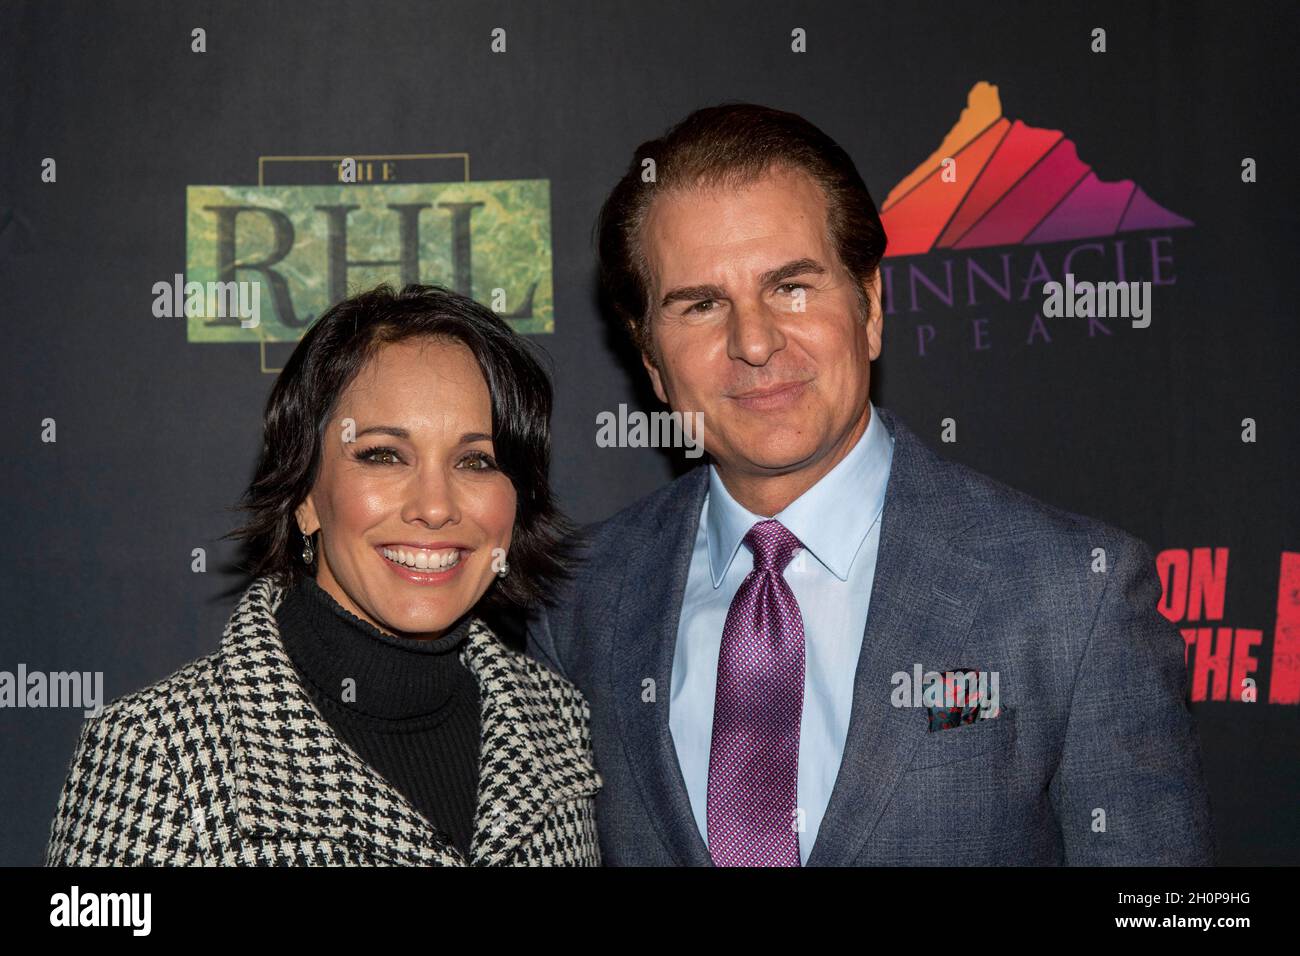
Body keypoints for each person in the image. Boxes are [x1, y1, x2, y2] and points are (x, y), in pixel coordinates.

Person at [526, 103, 1216, 866]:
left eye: (791, 287)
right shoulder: (578, 606)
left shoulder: (1072, 595)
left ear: (872, 307)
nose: (753, 342)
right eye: (701, 304)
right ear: (652, 360)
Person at [47, 283, 601, 866]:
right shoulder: (157, 758)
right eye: (384, 455)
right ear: (305, 494)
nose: (436, 507)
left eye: (476, 461)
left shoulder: (558, 722)